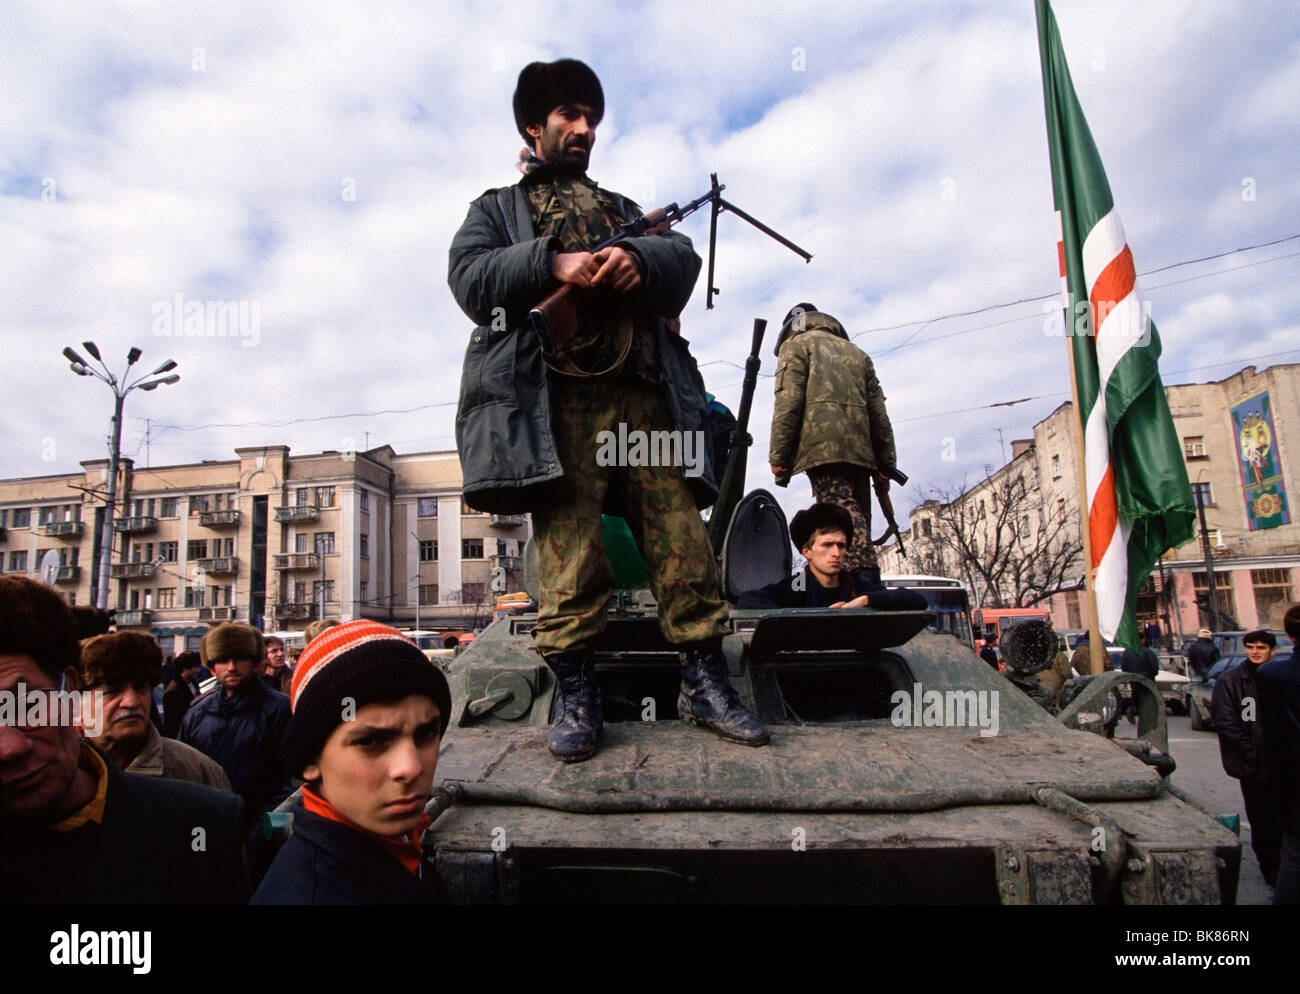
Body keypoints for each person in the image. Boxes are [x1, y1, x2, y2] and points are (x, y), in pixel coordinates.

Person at [448, 58, 767, 763]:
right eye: (569, 116)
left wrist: (640, 265)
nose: (584, 129)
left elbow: (681, 261)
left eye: (592, 118)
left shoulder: (623, 211)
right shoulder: (498, 210)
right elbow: (471, 280)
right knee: (570, 556)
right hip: (557, 408)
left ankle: (705, 681)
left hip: (644, 401)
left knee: (682, 540)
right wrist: (553, 264)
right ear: (535, 126)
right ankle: (576, 691)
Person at [0, 576, 248, 904]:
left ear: (70, 690)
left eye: (27, 704)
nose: (9, 747)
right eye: (112, 691)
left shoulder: (204, 820)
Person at [252, 621, 451, 904]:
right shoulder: (315, 892)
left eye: (426, 733)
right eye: (370, 742)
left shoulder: (393, 849)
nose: (411, 768)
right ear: (310, 759)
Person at [768, 303, 897, 590]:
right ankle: (858, 589)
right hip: (863, 454)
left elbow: (787, 404)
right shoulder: (857, 353)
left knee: (842, 518)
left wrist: (779, 457)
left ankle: (865, 587)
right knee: (858, 516)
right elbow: (880, 415)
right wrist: (886, 462)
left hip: (822, 447)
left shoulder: (796, 345)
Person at [179, 622, 293, 833]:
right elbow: (183, 776)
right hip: (209, 829)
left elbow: (293, 777)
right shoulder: (197, 714)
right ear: (212, 667)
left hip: (262, 834)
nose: (232, 667)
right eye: (223, 660)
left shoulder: (280, 710)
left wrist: (262, 829)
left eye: (240, 659)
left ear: (254, 663)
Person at [80, 632, 231, 790]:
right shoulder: (60, 769)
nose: (131, 702)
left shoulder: (198, 772)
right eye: (112, 690)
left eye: (141, 688)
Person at [737, 503, 927, 611]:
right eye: (827, 545)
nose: (836, 553)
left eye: (841, 545)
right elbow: (747, 601)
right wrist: (817, 618)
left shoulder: (856, 587)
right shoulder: (796, 588)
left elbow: (917, 600)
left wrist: (865, 600)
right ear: (807, 552)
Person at [1210, 629, 1283, 887]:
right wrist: (1250, 753)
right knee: (1262, 819)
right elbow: (1227, 722)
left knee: (1285, 817)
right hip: (1253, 764)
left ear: (1272, 651)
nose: (1255, 652)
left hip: (1282, 762)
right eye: (1250, 647)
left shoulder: (1277, 677)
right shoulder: (1232, 681)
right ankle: (1271, 869)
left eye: (1261, 648)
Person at [1258, 605, 1300, 903]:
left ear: (1288, 636)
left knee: (1295, 855)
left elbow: (1269, 732)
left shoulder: (1272, 674)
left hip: (1292, 776)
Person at [162, 650, 202, 739]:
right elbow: (171, 725)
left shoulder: (193, 683)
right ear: (185, 669)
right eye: (195, 667)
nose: (198, 670)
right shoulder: (172, 692)